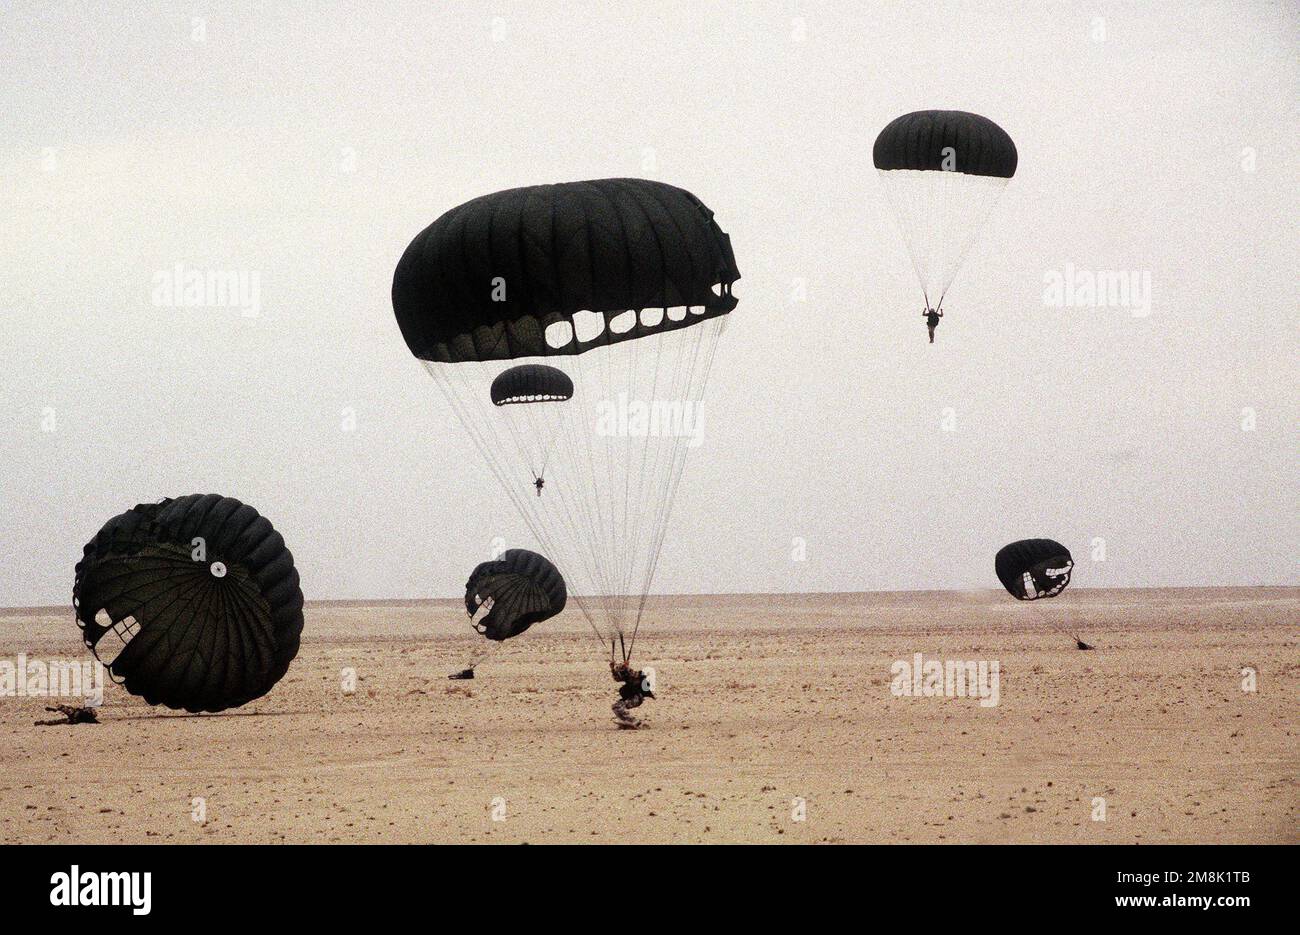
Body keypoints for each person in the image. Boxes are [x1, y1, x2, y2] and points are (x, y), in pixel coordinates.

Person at [610, 659, 654, 728]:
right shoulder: (627, 677)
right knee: (615, 707)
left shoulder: (635, 676)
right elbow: (618, 678)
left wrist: (626, 668)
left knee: (618, 707)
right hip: (632, 698)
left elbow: (632, 676)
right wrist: (612, 669)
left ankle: (633, 721)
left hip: (637, 698)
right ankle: (625, 721)